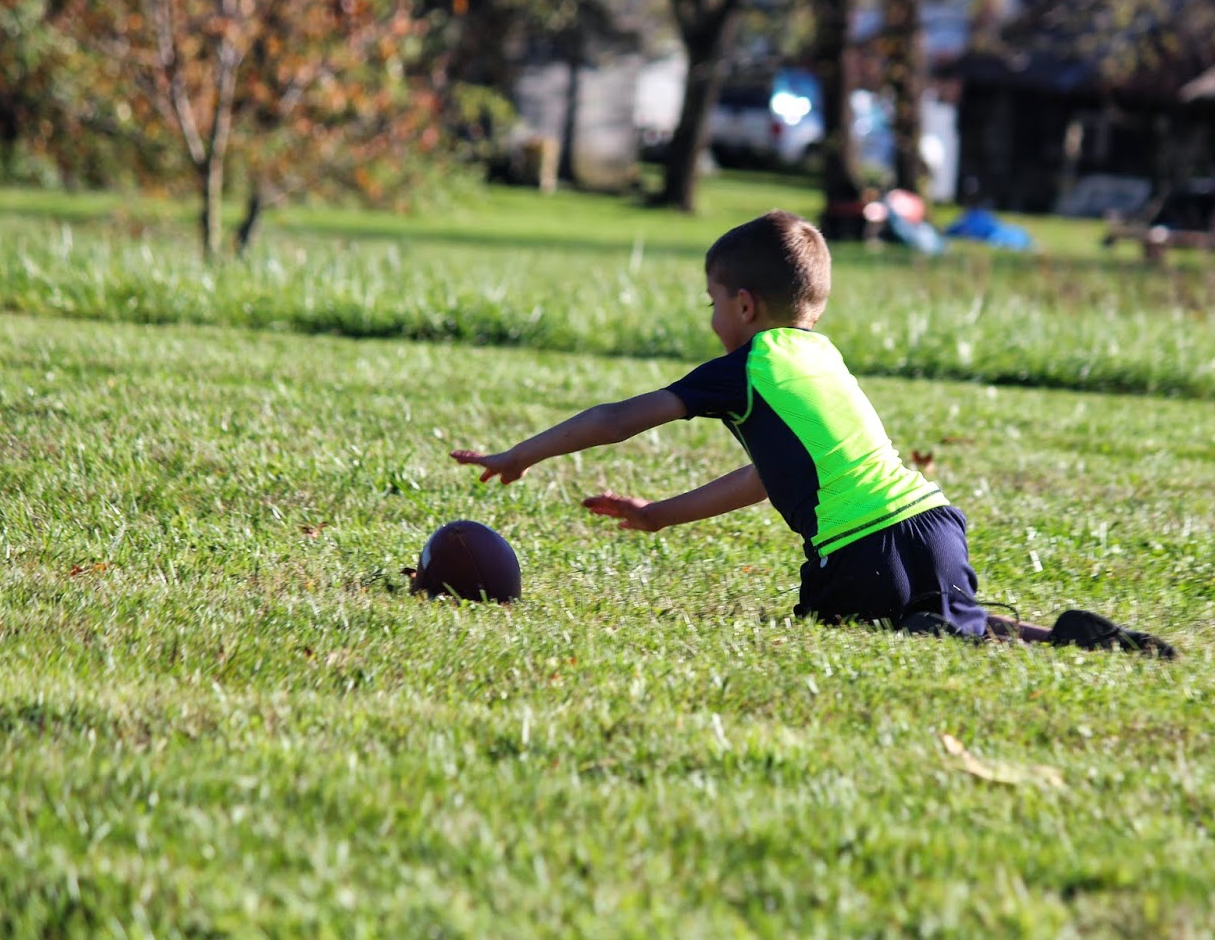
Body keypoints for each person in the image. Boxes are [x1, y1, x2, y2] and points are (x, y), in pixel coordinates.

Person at [452, 209, 1174, 658]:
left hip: (862, 552)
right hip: (935, 526)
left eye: (712, 302)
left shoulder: (745, 367)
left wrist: (522, 454)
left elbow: (616, 421)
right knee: (959, 620)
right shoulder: (821, 359)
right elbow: (771, 478)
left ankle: (935, 635)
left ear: (742, 303)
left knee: (849, 629)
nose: (710, 318)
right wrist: (656, 516)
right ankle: (1070, 641)